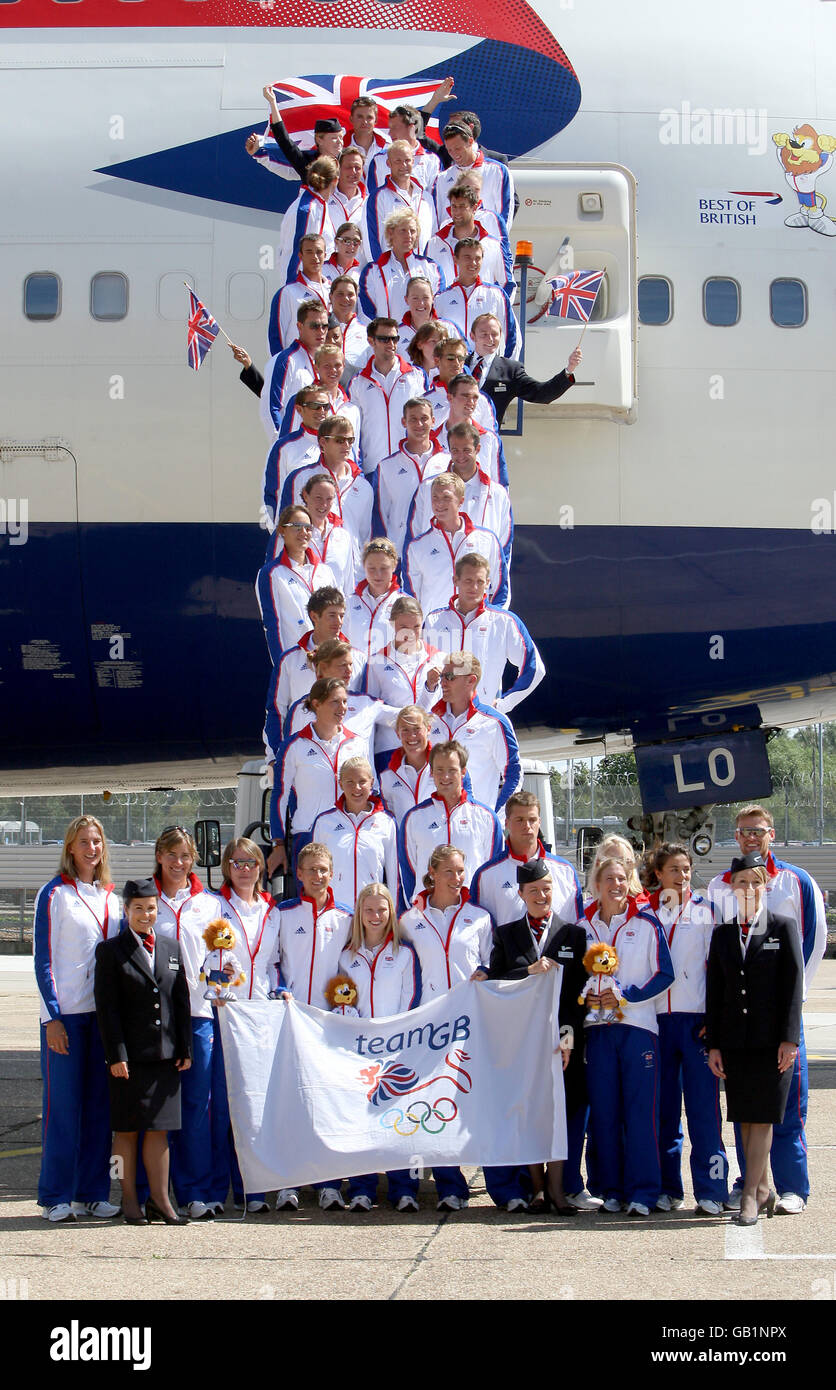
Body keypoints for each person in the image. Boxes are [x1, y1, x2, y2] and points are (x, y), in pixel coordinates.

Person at [707, 804, 826, 1215]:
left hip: (780, 1019)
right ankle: (752, 1184)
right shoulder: (718, 886)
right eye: (743, 831)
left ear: (771, 833)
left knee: (787, 1106)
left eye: (758, 830)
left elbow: (812, 944)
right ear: (735, 837)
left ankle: (792, 1185)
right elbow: (718, 965)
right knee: (745, 1109)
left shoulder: (796, 881)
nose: (750, 836)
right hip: (740, 1025)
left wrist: (791, 1009)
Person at [706, 853, 804, 1226]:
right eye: (741, 882)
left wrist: (789, 1039)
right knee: (745, 1116)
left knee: (762, 1116)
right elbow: (714, 993)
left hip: (770, 1041)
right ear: (732, 888)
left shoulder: (782, 927)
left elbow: (793, 988)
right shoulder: (723, 934)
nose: (748, 889)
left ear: (765, 887)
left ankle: (750, 1192)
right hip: (735, 1040)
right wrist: (713, 1044)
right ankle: (763, 1188)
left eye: (755, 882)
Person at [486, 859, 588, 1214]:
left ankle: (559, 1188)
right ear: (521, 894)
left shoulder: (573, 935)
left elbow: (578, 996)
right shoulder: (507, 933)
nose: (542, 896)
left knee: (559, 1113)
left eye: (546, 889)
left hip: (561, 1041)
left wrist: (567, 1039)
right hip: (522, 1039)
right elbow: (496, 981)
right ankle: (538, 1188)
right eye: (534, 891)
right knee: (528, 1110)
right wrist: (529, 970)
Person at [34, 815, 122, 1223]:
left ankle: (92, 1192)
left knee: (98, 1111)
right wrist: (52, 1016)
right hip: (66, 1017)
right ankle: (55, 1195)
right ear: (70, 847)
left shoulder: (111, 896)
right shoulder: (54, 895)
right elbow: (43, 958)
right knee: (63, 1110)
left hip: (101, 1019)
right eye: (84, 841)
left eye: (97, 841)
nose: (92, 848)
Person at [93, 878, 191, 1226]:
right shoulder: (111, 951)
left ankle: (161, 1202)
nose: (145, 914)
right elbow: (107, 1009)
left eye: (151, 908)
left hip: (165, 1056)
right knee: (126, 1131)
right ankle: (129, 1200)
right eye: (138, 908)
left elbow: (180, 1001)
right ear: (126, 910)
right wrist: (115, 1054)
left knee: (159, 1131)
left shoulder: (171, 947)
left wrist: (184, 1047)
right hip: (129, 1059)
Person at [400, 844, 493, 1210]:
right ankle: (426, 1187)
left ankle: (464, 1183)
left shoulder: (479, 917)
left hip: (467, 1025)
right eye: (450, 872)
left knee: (461, 1101)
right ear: (433, 873)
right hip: (425, 1025)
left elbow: (490, 963)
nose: (457, 879)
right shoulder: (410, 919)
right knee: (422, 1103)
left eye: (461, 871)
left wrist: (485, 973)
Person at [581, 855, 674, 1216]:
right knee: (604, 1114)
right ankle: (611, 1190)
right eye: (609, 879)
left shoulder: (647, 922)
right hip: (597, 1032)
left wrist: (628, 996)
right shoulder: (582, 925)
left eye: (622, 879)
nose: (616, 885)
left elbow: (665, 974)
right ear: (597, 884)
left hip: (638, 1029)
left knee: (639, 1114)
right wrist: (586, 998)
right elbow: (574, 977)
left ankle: (643, 1192)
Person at [269, 842, 353, 1210]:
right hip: (290, 1022)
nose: (318, 876)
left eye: (324, 870)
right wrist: (281, 991)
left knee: (326, 1103)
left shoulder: (347, 918)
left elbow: (352, 969)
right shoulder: (283, 913)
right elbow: (271, 963)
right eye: (311, 870)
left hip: (329, 1025)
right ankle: (289, 1182)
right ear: (298, 875)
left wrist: (344, 1004)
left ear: (332, 873)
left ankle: (329, 1183)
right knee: (292, 1102)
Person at [646, 843, 728, 1216]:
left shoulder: (706, 912)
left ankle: (712, 1189)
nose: (681, 876)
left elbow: (718, 971)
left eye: (686, 869)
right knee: (663, 1111)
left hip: (695, 1023)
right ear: (659, 873)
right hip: (656, 1024)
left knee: (703, 1111)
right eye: (673, 870)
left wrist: (714, 1022)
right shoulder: (645, 913)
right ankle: (668, 1189)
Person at [151, 824, 224, 1220]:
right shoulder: (144, 898)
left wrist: (220, 996)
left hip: (197, 1017)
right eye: (172, 855)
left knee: (197, 1105)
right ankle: (153, 1191)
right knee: (158, 1107)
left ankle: (195, 1191)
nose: (179, 863)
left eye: (186, 856)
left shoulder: (209, 903)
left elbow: (220, 959)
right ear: (159, 856)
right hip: (154, 1019)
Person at [338, 884, 422, 1211]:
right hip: (361, 1051)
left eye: (382, 910)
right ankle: (362, 1188)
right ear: (360, 913)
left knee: (399, 1120)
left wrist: (394, 1036)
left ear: (391, 913)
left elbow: (411, 1000)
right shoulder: (347, 956)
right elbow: (342, 996)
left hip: (397, 1049)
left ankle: (405, 1189)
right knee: (363, 1121)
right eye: (369, 910)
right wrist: (347, 1014)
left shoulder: (404, 954)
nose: (375, 917)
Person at [212, 838, 280, 1214]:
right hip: (226, 1013)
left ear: (261, 867)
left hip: (261, 1018)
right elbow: (205, 957)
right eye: (237, 862)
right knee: (224, 1106)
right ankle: (217, 1189)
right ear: (227, 866)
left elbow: (275, 963)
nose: (244, 868)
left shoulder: (273, 910)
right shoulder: (214, 905)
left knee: (255, 1106)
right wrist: (215, 984)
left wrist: (280, 989)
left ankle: (252, 1189)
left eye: (251, 862)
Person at [423, 553, 545, 715]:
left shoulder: (504, 621)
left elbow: (535, 668)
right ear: (455, 580)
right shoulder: (433, 621)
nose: (474, 588)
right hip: (439, 720)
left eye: (480, 582)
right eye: (468, 580)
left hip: (482, 719)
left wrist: (504, 705)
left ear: (488, 583)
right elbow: (418, 669)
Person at [269, 677, 362, 877]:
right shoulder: (293, 746)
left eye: (345, 701)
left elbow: (370, 789)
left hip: (348, 835)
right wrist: (278, 843)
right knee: (313, 906)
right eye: (335, 702)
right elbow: (280, 795)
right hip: (308, 838)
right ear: (316, 704)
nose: (343, 707)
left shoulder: (357, 743)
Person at [263, 586, 364, 759]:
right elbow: (276, 711)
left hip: (345, 756)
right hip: (301, 755)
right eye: (332, 615)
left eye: (341, 615)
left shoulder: (358, 658)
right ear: (314, 616)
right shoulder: (290, 660)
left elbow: (364, 708)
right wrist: (274, 757)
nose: (338, 622)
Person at [398, 739, 503, 904]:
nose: (445, 776)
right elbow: (407, 872)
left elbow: (493, 871)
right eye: (439, 770)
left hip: (471, 911)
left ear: (463, 772)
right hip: (426, 915)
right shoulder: (414, 818)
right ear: (431, 772)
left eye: (452, 770)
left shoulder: (486, 817)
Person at [470, 789, 583, 933]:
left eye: (532, 820)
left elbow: (578, 926)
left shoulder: (565, 871)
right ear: (507, 823)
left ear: (539, 822)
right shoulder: (486, 875)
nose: (527, 826)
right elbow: (477, 932)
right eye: (520, 820)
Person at [404, 472, 508, 617]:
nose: (439, 503)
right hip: (436, 632)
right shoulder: (417, 547)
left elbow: (501, 589)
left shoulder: (487, 540)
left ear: (460, 501)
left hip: (475, 629)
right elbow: (411, 597)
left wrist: (492, 621)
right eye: (435, 497)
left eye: (446, 497)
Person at [425, 652, 520, 811]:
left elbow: (514, 776)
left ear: (471, 680)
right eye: (441, 676)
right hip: (434, 827)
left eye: (450, 676)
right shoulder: (430, 721)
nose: (443, 682)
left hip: (476, 827)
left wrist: (494, 819)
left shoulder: (495, 722)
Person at [407, 421, 511, 556]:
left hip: (480, 575)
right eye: (455, 450)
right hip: (438, 572)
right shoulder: (427, 488)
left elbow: (504, 547)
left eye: (466, 450)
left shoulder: (497, 493)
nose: (460, 456)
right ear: (449, 450)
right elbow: (413, 539)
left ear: (477, 449)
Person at [310, 756, 399, 907]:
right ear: (340, 783)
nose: (356, 788)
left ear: (371, 783)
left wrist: (393, 916)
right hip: (335, 913)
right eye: (350, 782)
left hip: (371, 913)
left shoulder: (386, 822)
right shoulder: (324, 822)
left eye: (362, 782)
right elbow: (314, 872)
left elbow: (394, 875)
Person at [467, 312, 582, 428]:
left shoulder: (510, 370)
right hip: (452, 440)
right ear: (472, 336)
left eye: (494, 334)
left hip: (488, 440)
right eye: (484, 334)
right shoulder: (458, 365)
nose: (490, 339)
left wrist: (569, 369)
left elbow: (542, 393)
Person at [255, 504, 338, 665]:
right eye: (297, 527)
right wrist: (282, 667)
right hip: (297, 663)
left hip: (329, 662)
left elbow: (340, 616)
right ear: (282, 531)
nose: (304, 533)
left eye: (308, 527)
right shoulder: (271, 573)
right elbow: (272, 626)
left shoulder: (325, 571)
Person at [349, 314, 427, 473]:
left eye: (395, 339)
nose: (391, 344)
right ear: (371, 341)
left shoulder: (416, 376)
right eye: (385, 339)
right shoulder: (357, 382)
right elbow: (353, 429)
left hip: (410, 465)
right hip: (373, 468)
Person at [281, 414, 374, 546]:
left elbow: (365, 537)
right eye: (339, 440)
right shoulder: (300, 478)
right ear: (323, 442)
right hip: (312, 563)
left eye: (350, 440)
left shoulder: (364, 487)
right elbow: (285, 527)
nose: (346, 445)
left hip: (351, 565)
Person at [372, 396, 449, 552]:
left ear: (433, 421)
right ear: (403, 422)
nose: (419, 424)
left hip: (439, 552)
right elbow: (379, 515)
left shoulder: (448, 462)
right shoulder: (386, 466)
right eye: (413, 419)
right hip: (399, 551)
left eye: (424, 418)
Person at [434, 238, 519, 357]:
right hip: (453, 369)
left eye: (477, 258)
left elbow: (511, 335)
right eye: (467, 257)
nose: (473, 263)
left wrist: (507, 370)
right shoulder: (440, 298)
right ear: (455, 260)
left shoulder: (496, 295)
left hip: (487, 369)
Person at [262, 384, 331, 529]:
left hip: (331, 536)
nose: (321, 411)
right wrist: (279, 534)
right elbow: (272, 494)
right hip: (297, 536)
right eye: (314, 405)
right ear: (300, 409)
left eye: (325, 406)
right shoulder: (284, 447)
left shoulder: (339, 445)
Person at [357, 210, 443, 325]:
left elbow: (439, 305)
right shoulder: (372, 271)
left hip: (422, 337)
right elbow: (367, 312)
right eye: (403, 230)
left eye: (412, 231)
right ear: (390, 232)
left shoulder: (432, 268)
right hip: (388, 339)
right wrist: (385, 336)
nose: (408, 235)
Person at [428, 182, 513, 296]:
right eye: (454, 206)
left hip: (482, 311)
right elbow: (426, 281)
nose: (457, 212)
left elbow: (507, 283)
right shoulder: (434, 244)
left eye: (462, 207)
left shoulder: (493, 245)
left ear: (475, 207)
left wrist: (493, 308)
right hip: (445, 312)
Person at [261, 300, 330, 439]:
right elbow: (270, 409)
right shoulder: (285, 361)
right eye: (314, 326)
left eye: (324, 326)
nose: (321, 331)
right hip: (293, 451)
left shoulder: (326, 362)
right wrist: (282, 447)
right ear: (300, 326)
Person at [247, 85, 344, 182]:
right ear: (319, 140)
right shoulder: (308, 164)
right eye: (334, 138)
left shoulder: (349, 160)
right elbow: (284, 140)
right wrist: (273, 102)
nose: (340, 142)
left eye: (341, 137)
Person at [365, 595, 438, 716]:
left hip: (428, 734)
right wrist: (406, 718)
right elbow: (371, 709)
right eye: (403, 627)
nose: (410, 633)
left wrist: (430, 689)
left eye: (416, 627)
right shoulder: (376, 662)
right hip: (391, 734)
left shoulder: (437, 658)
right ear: (392, 624)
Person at [433, 120, 515, 228]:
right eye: (450, 150)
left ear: (470, 141)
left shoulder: (497, 171)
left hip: (486, 242)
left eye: (458, 148)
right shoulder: (442, 178)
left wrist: (497, 243)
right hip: (453, 243)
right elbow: (439, 218)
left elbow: (506, 214)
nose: (454, 154)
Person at [363, 140, 436, 260]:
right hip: (390, 273)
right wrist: (381, 272)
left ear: (413, 162)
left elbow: (433, 237)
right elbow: (371, 241)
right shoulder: (378, 197)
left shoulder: (426, 198)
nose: (403, 165)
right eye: (398, 161)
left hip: (422, 272)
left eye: (407, 160)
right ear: (388, 163)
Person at [434, 373, 508, 488]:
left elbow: (501, 485)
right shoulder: (432, 439)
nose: (471, 402)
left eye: (475, 397)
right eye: (465, 396)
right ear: (450, 398)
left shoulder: (489, 438)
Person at [274, 155, 339, 283]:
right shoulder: (307, 210)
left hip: (316, 282)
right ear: (335, 181)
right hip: (301, 286)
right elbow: (295, 254)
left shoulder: (319, 204)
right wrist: (292, 291)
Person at [342, 537, 404, 662]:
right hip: (354, 675)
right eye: (372, 568)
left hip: (387, 675)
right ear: (363, 566)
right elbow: (341, 641)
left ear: (394, 565)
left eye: (384, 568)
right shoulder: (349, 602)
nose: (378, 575)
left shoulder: (404, 603)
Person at [269, 233, 332, 355]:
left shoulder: (334, 290)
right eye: (309, 252)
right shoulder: (288, 293)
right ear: (300, 256)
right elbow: (275, 338)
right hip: (298, 366)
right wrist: (282, 368)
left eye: (319, 252)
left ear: (325, 255)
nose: (315, 257)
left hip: (329, 367)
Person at [300, 472, 360, 594]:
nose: (324, 504)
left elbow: (348, 583)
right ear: (306, 496)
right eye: (318, 498)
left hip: (336, 610)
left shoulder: (342, 536)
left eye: (329, 499)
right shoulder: (293, 533)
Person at [367, 101, 441, 197]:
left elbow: (436, 201)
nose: (390, 133)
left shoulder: (432, 160)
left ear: (412, 128)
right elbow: (373, 199)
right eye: (390, 128)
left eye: (395, 128)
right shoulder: (379, 160)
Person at [422, 336, 496, 430]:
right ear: (437, 360)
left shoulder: (482, 400)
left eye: (460, 358)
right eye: (450, 358)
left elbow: (490, 439)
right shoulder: (425, 402)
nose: (456, 363)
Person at [380, 704, 435, 827]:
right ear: (397, 733)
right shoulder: (387, 777)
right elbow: (389, 823)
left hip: (442, 844)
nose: (412, 735)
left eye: (417, 728)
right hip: (405, 845)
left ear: (428, 729)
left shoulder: (443, 767)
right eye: (405, 729)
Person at [396, 276, 458, 356]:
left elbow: (464, 359)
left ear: (433, 299)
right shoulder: (397, 334)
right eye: (415, 298)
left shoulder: (449, 328)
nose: (421, 303)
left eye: (425, 298)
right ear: (406, 300)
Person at [327, 277, 370, 373]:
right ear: (330, 296)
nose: (345, 299)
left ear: (356, 297)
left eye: (350, 295)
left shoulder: (366, 332)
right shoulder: (320, 328)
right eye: (340, 294)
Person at [327, 153, 368, 236]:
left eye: (357, 168)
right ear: (338, 169)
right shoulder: (325, 198)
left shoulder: (369, 202)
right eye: (348, 167)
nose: (353, 171)